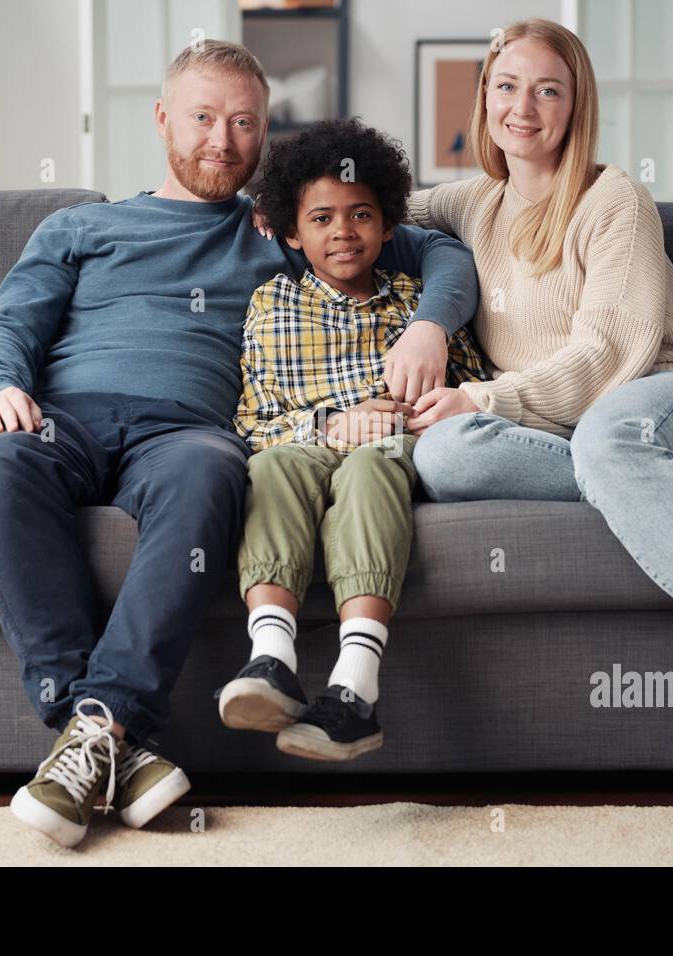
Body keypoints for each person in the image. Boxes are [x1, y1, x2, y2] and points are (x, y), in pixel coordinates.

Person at [0, 41, 478, 847]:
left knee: (214, 472)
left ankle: (90, 740)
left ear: (264, 133)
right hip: (67, 417)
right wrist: (0, 390)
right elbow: (9, 325)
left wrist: (431, 326)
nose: (222, 142)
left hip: (187, 433)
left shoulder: (286, 225)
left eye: (243, 123)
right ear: (163, 119)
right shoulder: (83, 226)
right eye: (202, 118)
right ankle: (105, 735)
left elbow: (440, 249)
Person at [401, 18, 673, 822]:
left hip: (664, 387)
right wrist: (274, 211)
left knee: (609, 440)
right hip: (574, 432)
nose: (522, 107)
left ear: (577, 105)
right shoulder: (472, 203)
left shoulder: (615, 200)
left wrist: (486, 397)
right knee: (443, 454)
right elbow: (365, 205)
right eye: (506, 86)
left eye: (547, 89)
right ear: (484, 99)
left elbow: (607, 352)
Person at [217, 118, 488, 761]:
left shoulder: (417, 306)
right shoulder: (271, 306)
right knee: (275, 467)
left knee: (369, 466)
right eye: (321, 219)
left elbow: (471, 391)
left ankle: (355, 689)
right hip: (306, 444)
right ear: (289, 232)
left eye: (361, 214)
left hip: (390, 451)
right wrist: (329, 426)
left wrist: (414, 414)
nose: (343, 231)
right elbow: (253, 422)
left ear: (390, 224)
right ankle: (272, 658)